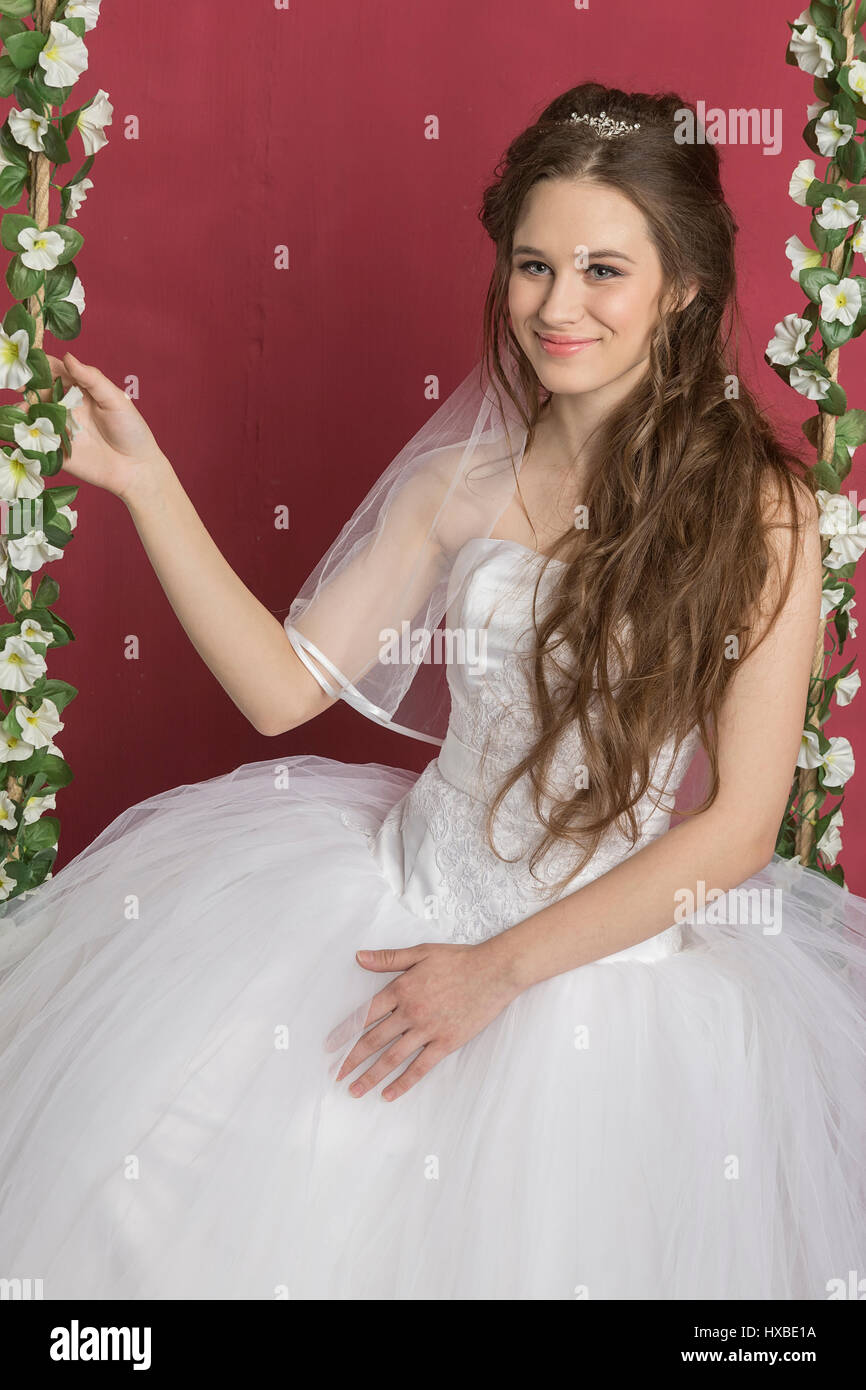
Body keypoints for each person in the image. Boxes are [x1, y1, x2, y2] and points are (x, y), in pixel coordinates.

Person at [0, 81, 864, 1301]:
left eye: (601, 270)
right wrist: (147, 486)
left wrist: (495, 973)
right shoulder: (455, 483)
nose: (556, 307)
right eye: (530, 266)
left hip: (598, 987)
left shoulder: (761, 512)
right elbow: (275, 690)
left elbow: (734, 829)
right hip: (387, 907)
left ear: (682, 288)